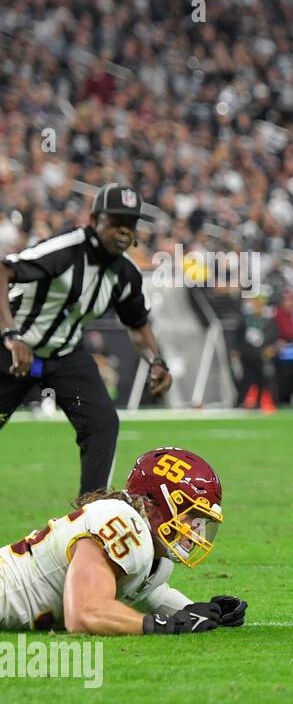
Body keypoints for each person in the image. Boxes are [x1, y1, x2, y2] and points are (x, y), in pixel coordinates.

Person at [0, 183, 173, 494]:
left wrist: (156, 361)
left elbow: (138, 323)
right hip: (13, 349)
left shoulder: (125, 274)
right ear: (95, 219)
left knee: (102, 424)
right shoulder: (65, 250)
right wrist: (11, 334)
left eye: (130, 224)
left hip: (64, 354)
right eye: (115, 221)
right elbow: (2, 272)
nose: (123, 231)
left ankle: (91, 512)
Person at [0, 447, 247, 635]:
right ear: (153, 505)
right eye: (191, 515)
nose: (197, 530)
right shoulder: (122, 524)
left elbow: (154, 599)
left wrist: (203, 612)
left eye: (202, 520)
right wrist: (162, 626)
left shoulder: (152, 555)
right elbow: (85, 613)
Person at [236, 294, 277, 413]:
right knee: (247, 379)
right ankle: (245, 400)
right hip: (248, 354)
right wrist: (237, 350)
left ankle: (263, 401)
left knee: (263, 379)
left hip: (262, 355)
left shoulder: (267, 320)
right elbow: (239, 336)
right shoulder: (246, 319)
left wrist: (271, 348)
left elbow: (273, 336)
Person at [272, 290, 293, 407]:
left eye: (291, 300)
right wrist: (278, 342)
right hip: (283, 346)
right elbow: (274, 331)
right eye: (286, 300)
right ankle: (282, 398)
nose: (289, 303)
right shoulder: (277, 315)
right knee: (283, 374)